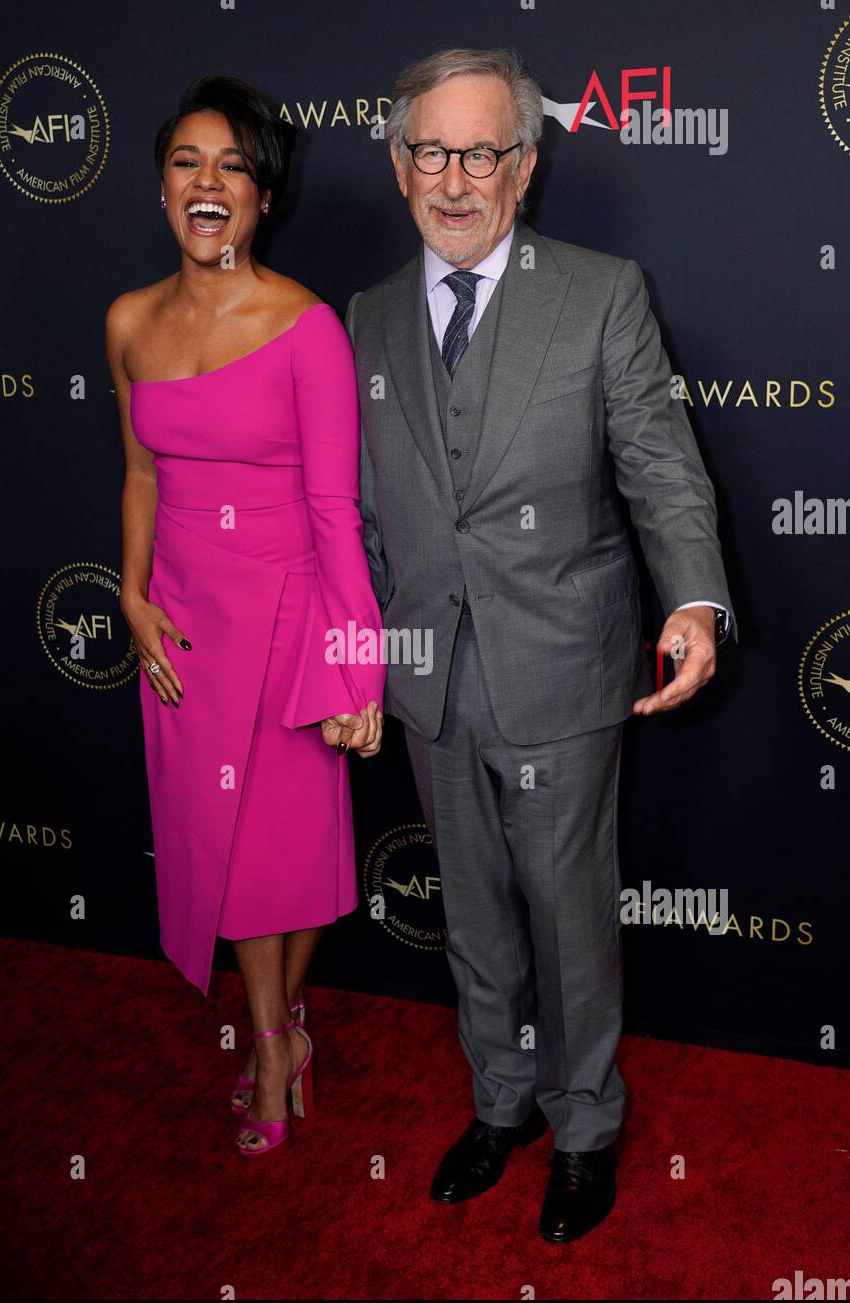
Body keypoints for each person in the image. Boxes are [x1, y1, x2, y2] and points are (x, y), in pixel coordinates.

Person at [344, 47, 736, 1241]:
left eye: (482, 151)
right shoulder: (361, 318)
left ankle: (584, 1126)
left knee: (569, 916)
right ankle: (500, 1100)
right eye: (430, 150)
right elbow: (353, 516)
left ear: (525, 163)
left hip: (561, 667)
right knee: (470, 910)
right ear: (399, 161)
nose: (454, 177)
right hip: (427, 676)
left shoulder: (603, 291)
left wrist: (693, 600)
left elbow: (662, 470)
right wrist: (347, 659)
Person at [105, 73, 385, 1159]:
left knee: (285, 852)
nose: (208, 184)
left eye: (232, 167)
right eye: (187, 164)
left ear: (263, 196)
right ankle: (281, 1036)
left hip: (288, 614)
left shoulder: (307, 326)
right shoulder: (129, 319)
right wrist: (130, 596)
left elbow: (334, 508)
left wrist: (356, 661)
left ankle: (272, 1041)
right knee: (223, 854)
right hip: (183, 627)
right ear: (163, 191)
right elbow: (138, 473)